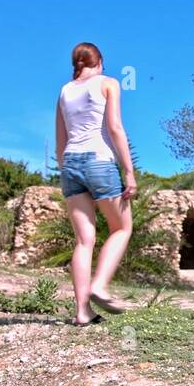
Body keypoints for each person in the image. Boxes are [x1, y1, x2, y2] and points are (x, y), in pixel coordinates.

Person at [55, 42, 137, 325]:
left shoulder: (64, 91)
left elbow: (60, 142)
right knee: (122, 227)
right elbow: (115, 128)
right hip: (99, 161)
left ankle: (82, 313)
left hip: (70, 164)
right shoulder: (109, 83)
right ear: (99, 61)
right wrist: (129, 172)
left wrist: (67, 169)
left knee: (83, 240)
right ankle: (100, 284)